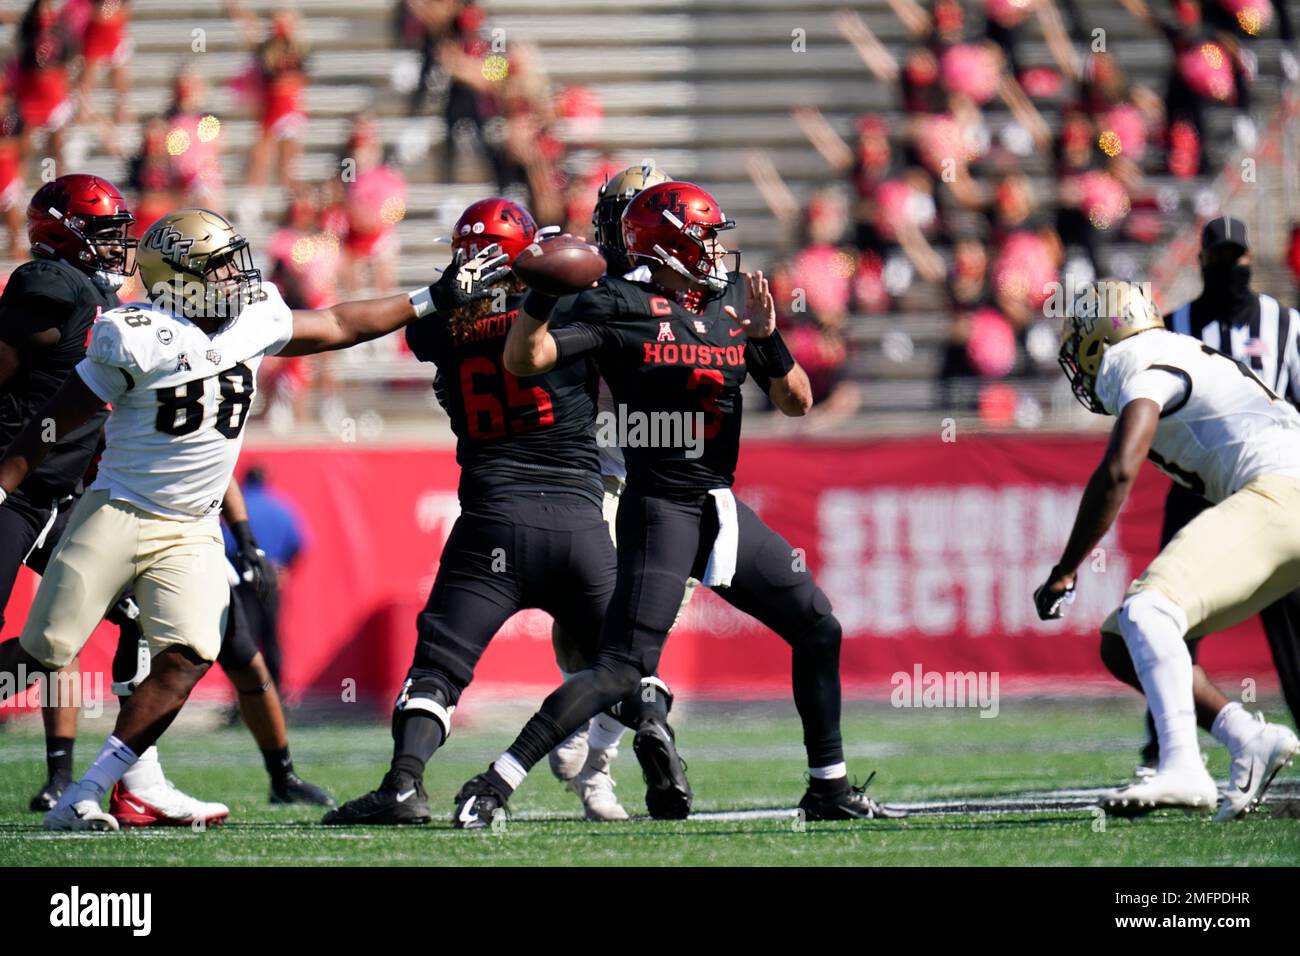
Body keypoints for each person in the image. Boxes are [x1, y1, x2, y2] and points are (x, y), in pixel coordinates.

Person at [0, 205, 509, 831]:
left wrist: (432, 297)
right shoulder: (135, 332)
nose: (236, 277)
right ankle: (107, 784)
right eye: (218, 266)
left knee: (192, 652)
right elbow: (55, 419)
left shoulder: (252, 319)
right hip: (119, 513)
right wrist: (5, 483)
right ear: (179, 276)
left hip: (193, 527)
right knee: (43, 653)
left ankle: (95, 789)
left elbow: (341, 322)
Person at [451, 181, 908, 826]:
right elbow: (527, 360)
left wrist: (769, 338)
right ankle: (495, 780)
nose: (719, 250)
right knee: (617, 671)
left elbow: (797, 401)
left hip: (718, 506)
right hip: (659, 507)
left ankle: (827, 788)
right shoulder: (620, 303)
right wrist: (542, 301)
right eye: (708, 237)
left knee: (817, 625)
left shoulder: (729, 306)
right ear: (676, 242)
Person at [323, 197, 688, 826]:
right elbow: (622, 308)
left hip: (492, 519)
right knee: (622, 662)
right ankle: (652, 722)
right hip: (577, 519)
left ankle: (405, 784)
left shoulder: (437, 325)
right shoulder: (575, 303)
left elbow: (427, 318)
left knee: (439, 666)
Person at [1036, 279, 1300, 820]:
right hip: (1283, 496)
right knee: (1122, 641)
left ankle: (1182, 767)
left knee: (1149, 610)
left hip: (1283, 492)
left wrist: (1065, 569)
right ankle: (1246, 737)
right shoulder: (1173, 350)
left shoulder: (1135, 356)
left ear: (1100, 339)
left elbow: (1118, 470)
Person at [1133, 217, 1300, 771]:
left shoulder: (1284, 325)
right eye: (1220, 258)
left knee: (1292, 617)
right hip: (1198, 492)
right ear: (1203, 262)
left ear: (1250, 259)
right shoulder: (1176, 327)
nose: (1230, 268)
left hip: (1271, 489)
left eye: (1237, 257)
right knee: (1168, 616)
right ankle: (1166, 747)